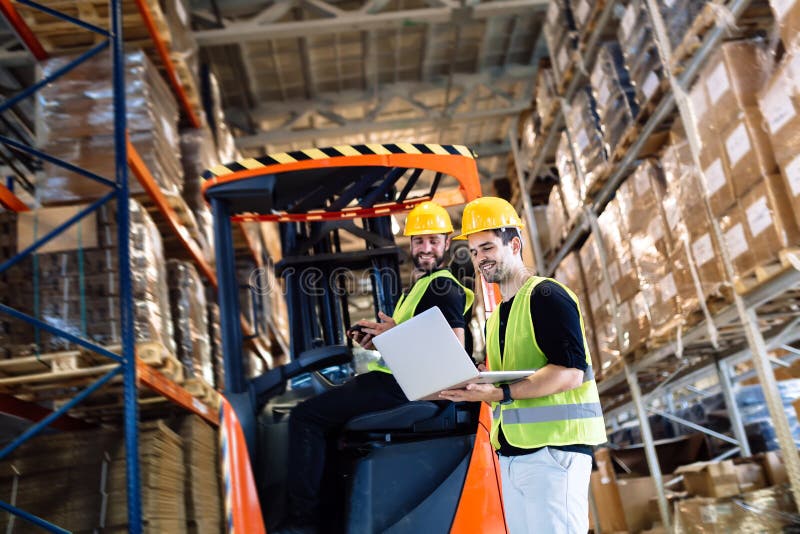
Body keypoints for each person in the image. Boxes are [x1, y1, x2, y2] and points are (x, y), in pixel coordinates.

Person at [276, 201, 474, 534]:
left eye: (433, 241)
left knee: (305, 417)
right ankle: (329, 522)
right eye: (419, 241)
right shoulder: (419, 288)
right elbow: (415, 342)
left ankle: (301, 523)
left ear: (446, 242)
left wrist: (394, 335)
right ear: (410, 243)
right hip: (400, 379)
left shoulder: (444, 288)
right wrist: (380, 340)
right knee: (329, 426)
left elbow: (452, 354)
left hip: (406, 387)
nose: (426, 248)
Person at [439, 197, 606, 534]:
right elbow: (510, 382)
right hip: (514, 454)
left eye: (487, 247)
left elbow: (570, 373)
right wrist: (477, 388)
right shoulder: (496, 317)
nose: (480, 259)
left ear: (514, 245)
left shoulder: (547, 296)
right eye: (474, 252)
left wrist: (500, 393)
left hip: (555, 452)